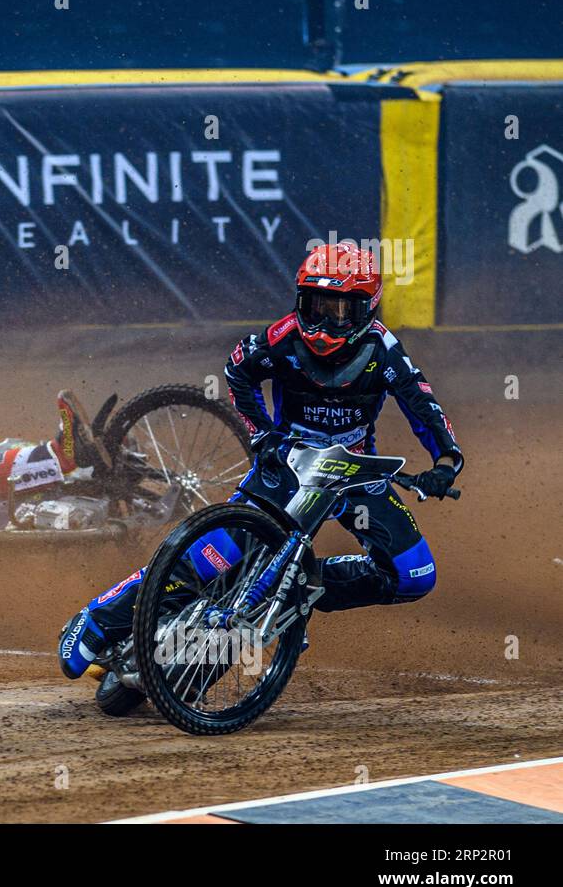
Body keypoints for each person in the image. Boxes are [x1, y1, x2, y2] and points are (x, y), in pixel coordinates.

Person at [58, 242, 464, 679]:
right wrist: (262, 434)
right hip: (287, 465)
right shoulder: (281, 338)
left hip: (353, 475)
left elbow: (423, 406)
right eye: (315, 306)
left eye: (338, 311)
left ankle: (296, 586)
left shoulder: (384, 350)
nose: (323, 322)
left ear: (366, 310)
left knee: (415, 575)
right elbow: (238, 372)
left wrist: (445, 461)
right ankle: (97, 620)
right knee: (212, 558)